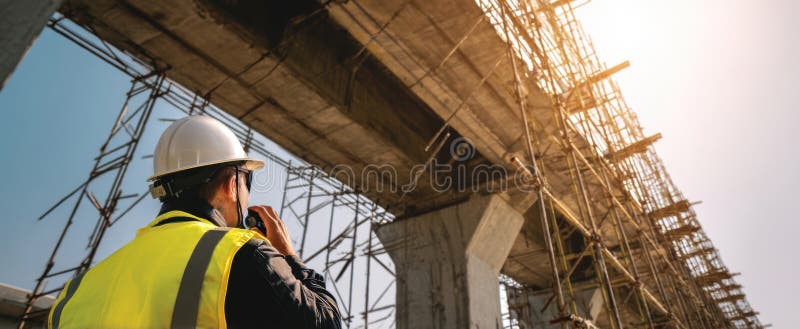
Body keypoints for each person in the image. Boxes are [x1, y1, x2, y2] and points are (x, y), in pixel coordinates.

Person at [48, 116, 342, 328]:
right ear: (230, 184)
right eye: (246, 179)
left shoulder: (77, 290)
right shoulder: (239, 252)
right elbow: (325, 322)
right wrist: (289, 257)